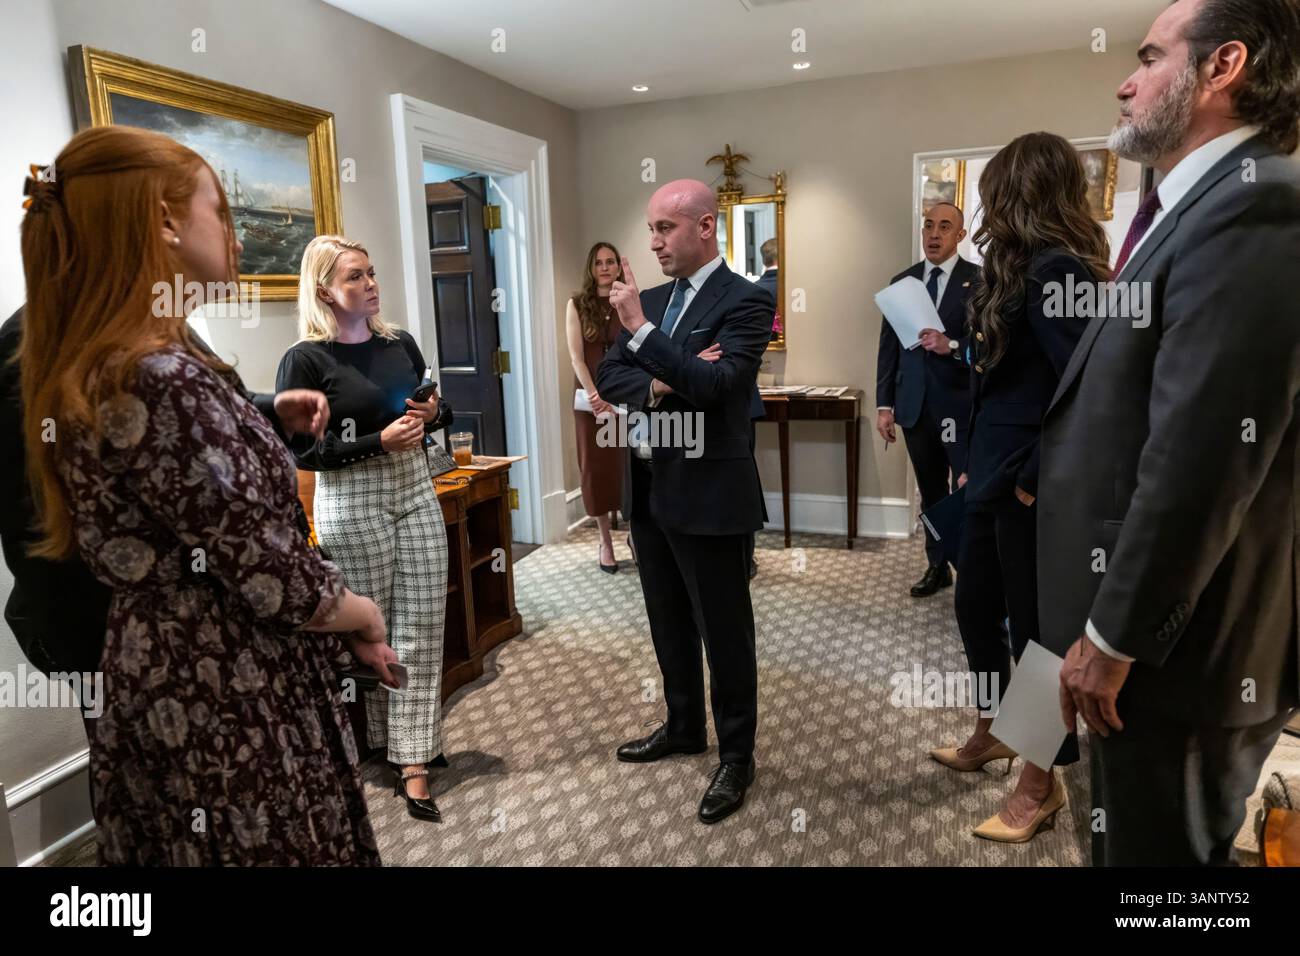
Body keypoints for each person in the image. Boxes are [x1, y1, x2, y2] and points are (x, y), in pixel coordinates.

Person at [18, 125, 395, 865]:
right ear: (163, 221)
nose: (233, 230)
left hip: (174, 671)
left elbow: (180, 484)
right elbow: (270, 572)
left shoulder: (124, 360)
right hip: (222, 684)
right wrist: (360, 611)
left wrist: (258, 414)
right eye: (218, 210)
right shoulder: (155, 375)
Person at [1039, 0, 1300, 865]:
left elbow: (1205, 457)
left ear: (1222, 68)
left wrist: (1114, 638)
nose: (1125, 81)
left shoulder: (1255, 206)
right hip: (1148, 642)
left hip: (1180, 656)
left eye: (1149, 57)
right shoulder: (1192, 205)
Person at [929, 132, 1108, 843]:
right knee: (974, 607)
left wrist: (1033, 479)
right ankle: (991, 729)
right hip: (989, 475)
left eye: (994, 189)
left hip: (1033, 486)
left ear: (1023, 191)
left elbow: (1088, 388)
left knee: (1036, 639)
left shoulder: (1061, 268)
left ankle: (1041, 784)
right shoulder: (1019, 266)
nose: (983, 206)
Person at [1, 306, 329, 679]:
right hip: (115, 629)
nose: (234, 246)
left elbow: (208, 404)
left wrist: (271, 410)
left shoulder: (154, 319)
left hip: (202, 619)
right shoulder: (37, 339)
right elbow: (31, 502)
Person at [596, 179, 772, 824]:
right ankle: (681, 725)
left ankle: (736, 754)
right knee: (666, 617)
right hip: (647, 483)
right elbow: (613, 375)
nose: (652, 242)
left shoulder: (749, 299)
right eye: (651, 228)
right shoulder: (657, 298)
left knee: (724, 628)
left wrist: (643, 335)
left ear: (704, 226)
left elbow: (721, 384)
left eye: (664, 229)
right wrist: (666, 378)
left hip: (711, 489)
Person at [277, 235, 452, 824]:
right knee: (375, 627)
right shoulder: (305, 358)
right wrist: (376, 440)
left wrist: (432, 415)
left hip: (414, 484)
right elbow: (303, 452)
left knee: (423, 617)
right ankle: (388, 740)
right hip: (352, 500)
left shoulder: (398, 342)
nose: (371, 284)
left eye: (372, 273)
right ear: (325, 290)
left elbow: (436, 408)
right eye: (355, 277)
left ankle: (412, 757)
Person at [876, 202, 979, 597]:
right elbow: (888, 350)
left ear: (960, 236)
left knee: (967, 489)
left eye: (945, 227)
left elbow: (990, 345)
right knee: (932, 493)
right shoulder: (902, 283)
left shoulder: (981, 281)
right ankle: (938, 566)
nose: (934, 234)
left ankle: (970, 567)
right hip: (915, 407)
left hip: (963, 408)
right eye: (929, 226)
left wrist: (950, 344)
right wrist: (885, 405)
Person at [565, 242, 626, 573]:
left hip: (624, 398)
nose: (605, 267)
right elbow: (576, 356)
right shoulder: (577, 304)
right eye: (599, 262)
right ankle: (605, 541)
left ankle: (635, 536)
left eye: (611, 261)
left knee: (627, 465)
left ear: (618, 266)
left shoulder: (628, 301)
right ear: (592, 268)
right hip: (589, 401)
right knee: (596, 468)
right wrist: (594, 396)